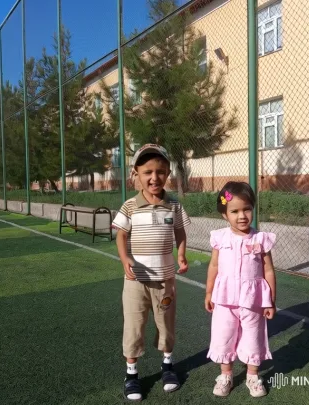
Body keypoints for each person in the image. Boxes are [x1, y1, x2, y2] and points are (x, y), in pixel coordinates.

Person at [112, 144, 191, 401]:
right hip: (136, 282)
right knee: (134, 326)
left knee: (166, 324)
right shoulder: (130, 206)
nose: (154, 177)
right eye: (147, 172)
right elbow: (121, 235)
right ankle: (132, 375)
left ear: (168, 173)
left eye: (160, 171)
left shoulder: (173, 206)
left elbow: (179, 231)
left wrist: (181, 253)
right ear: (136, 174)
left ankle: (167, 366)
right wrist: (125, 259)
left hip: (165, 280)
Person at [204, 181, 277, 397]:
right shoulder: (220, 238)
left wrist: (271, 300)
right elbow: (214, 266)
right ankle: (226, 374)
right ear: (225, 215)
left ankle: (253, 375)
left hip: (253, 300)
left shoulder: (261, 239)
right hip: (224, 300)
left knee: (254, 336)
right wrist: (209, 293)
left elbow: (269, 270)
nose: (242, 215)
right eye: (234, 211)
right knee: (224, 334)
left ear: (253, 208)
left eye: (246, 209)